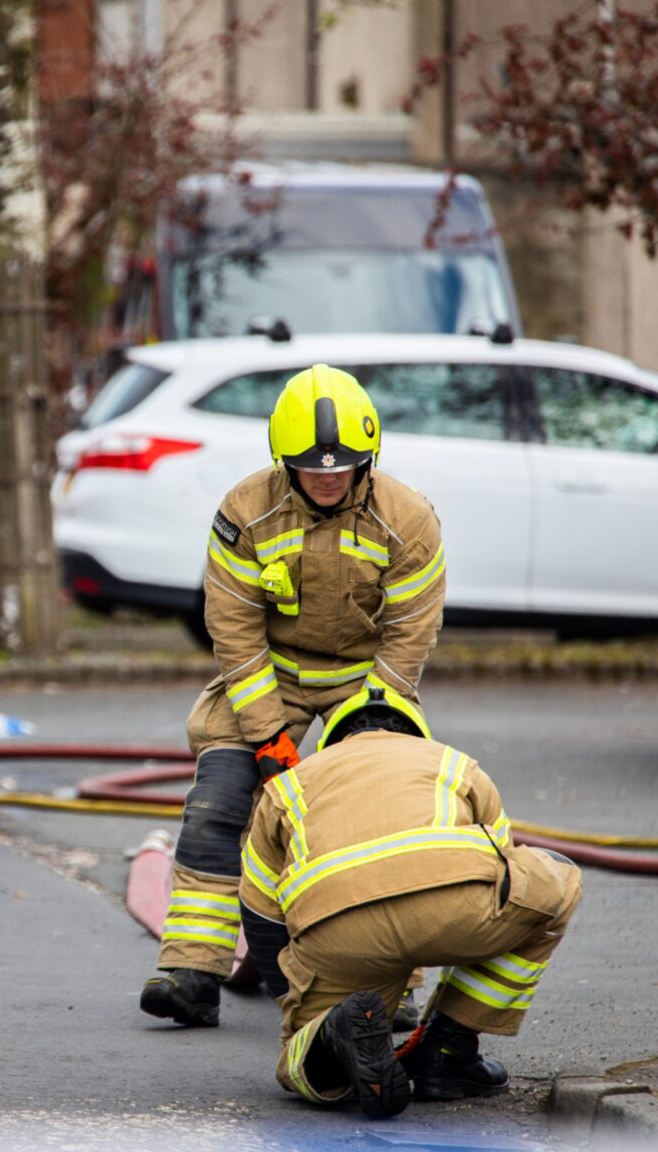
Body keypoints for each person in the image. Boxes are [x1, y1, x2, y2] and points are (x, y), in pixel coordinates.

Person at [140, 364, 445, 1028]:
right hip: (268, 672)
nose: (329, 478)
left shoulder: (409, 520)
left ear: (368, 457)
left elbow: (408, 638)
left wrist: (368, 729)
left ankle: (391, 984)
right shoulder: (245, 512)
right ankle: (192, 972)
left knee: (382, 812)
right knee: (219, 802)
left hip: (366, 677)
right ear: (284, 460)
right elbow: (234, 629)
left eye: (343, 467)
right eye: (312, 469)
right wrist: (267, 736)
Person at [238, 684, 583, 1117]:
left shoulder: (289, 785)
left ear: (334, 741)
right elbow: (505, 871)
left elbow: (260, 912)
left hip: (340, 934)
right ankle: (448, 1049)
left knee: (302, 1055)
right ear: (416, 733)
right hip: (454, 912)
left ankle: (331, 1033)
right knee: (552, 882)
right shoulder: (453, 763)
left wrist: (296, 998)